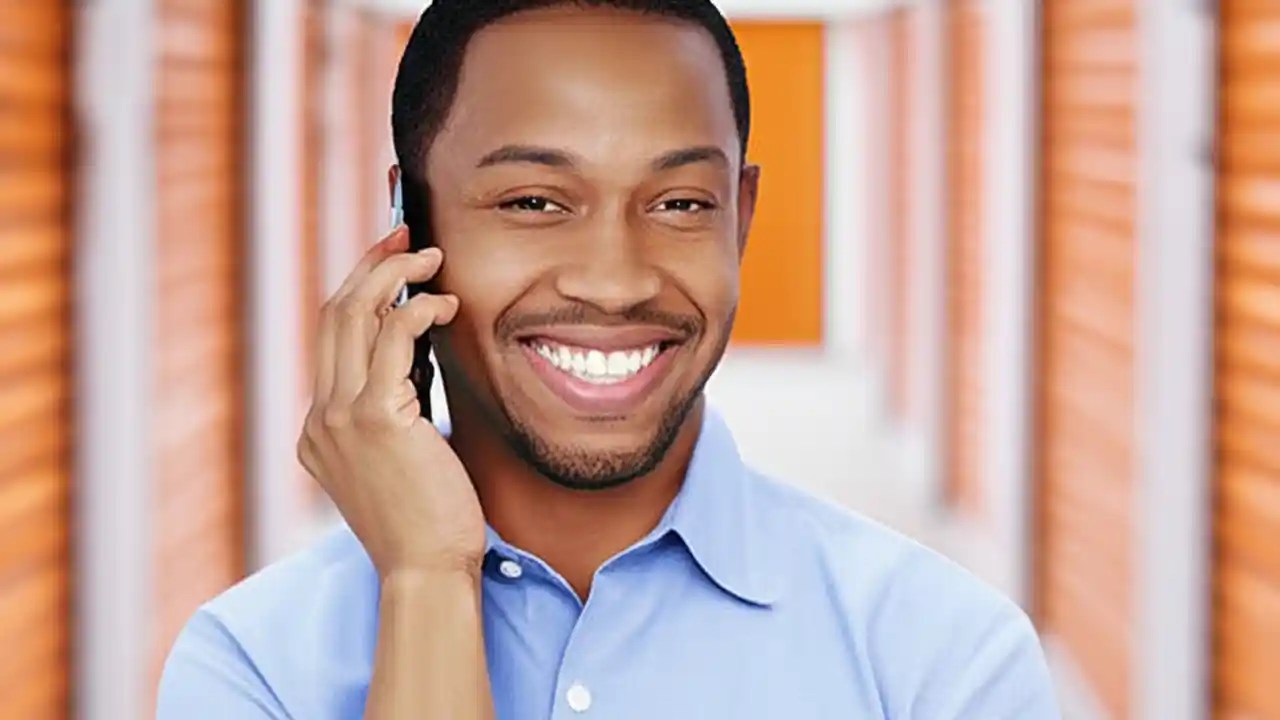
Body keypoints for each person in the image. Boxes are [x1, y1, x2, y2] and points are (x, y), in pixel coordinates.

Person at [157, 1, 1060, 718]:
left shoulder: (943, 662)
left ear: (740, 218)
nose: (617, 281)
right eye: (536, 202)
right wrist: (426, 582)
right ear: (412, 223)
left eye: (677, 204)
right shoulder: (253, 670)